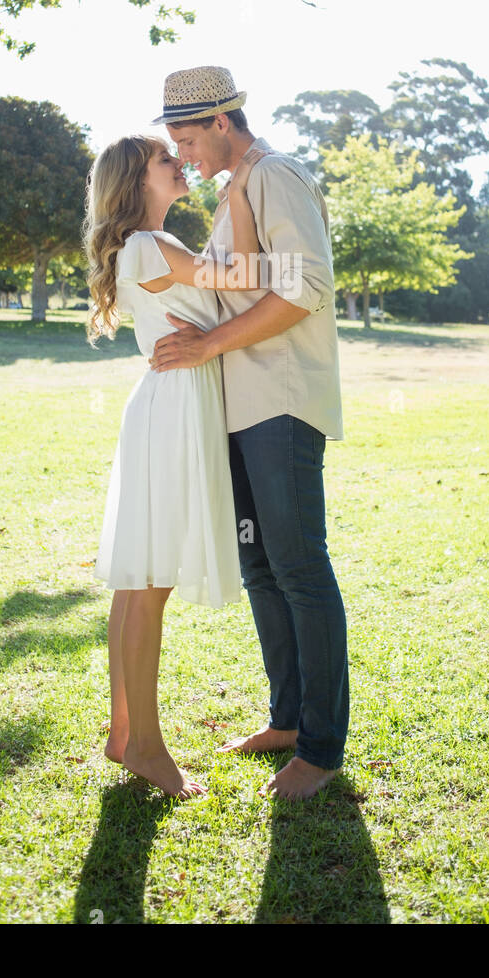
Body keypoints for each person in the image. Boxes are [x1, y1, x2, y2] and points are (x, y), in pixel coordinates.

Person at [149, 65, 348, 801]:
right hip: (239, 408)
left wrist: (208, 345)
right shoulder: (236, 187)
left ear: (224, 122)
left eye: (188, 138)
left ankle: (323, 748)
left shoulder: (274, 174)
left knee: (298, 567)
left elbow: (304, 285)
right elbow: (235, 275)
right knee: (261, 567)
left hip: (282, 402)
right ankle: (290, 720)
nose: (185, 155)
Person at [83, 131, 270, 799]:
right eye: (168, 158)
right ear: (140, 181)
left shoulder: (153, 246)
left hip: (170, 404)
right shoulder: (150, 246)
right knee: (149, 582)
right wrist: (239, 184)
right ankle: (148, 748)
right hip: (172, 409)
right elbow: (245, 273)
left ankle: (123, 732)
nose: (179, 162)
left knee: (138, 581)